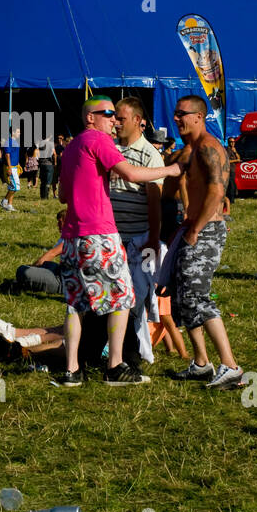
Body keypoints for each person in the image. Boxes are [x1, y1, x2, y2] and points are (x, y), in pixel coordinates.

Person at [53, 96, 179, 387]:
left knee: (75, 305)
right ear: (90, 118)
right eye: (107, 114)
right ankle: (116, 367)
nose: (113, 120)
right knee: (123, 298)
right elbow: (132, 173)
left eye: (115, 115)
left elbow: (62, 196)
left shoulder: (72, 146)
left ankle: (72, 371)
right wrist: (171, 170)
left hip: (72, 237)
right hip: (99, 234)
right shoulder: (99, 140)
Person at [163, 95, 244, 389]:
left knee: (199, 297)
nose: (176, 119)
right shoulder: (191, 150)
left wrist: (195, 228)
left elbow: (216, 192)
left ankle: (231, 366)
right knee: (185, 299)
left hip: (206, 231)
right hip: (193, 228)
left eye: (181, 114)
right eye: (175, 114)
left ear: (199, 116)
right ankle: (201, 363)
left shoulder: (210, 147)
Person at [111, 96, 164, 367]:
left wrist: (153, 240)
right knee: (110, 295)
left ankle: (130, 353)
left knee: (133, 300)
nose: (115, 123)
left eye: (121, 118)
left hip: (137, 238)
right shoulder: (109, 148)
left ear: (137, 121)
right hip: (110, 237)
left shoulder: (149, 155)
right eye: (114, 118)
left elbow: (155, 202)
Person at [14, 209, 67, 295]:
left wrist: (31, 267)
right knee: (45, 264)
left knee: (23, 271)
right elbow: (46, 258)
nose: (58, 225)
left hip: (63, 282)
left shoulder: (71, 239)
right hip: (61, 271)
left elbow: (51, 253)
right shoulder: (65, 237)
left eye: (60, 222)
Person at [1, 130, 21, 211]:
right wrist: (9, 167)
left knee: (11, 187)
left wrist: (18, 164)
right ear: (13, 132)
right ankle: (4, 201)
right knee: (16, 187)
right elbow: (7, 155)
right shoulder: (8, 142)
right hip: (11, 167)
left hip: (15, 166)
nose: (20, 133)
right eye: (18, 132)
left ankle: (9, 205)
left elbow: (14, 154)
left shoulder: (15, 142)